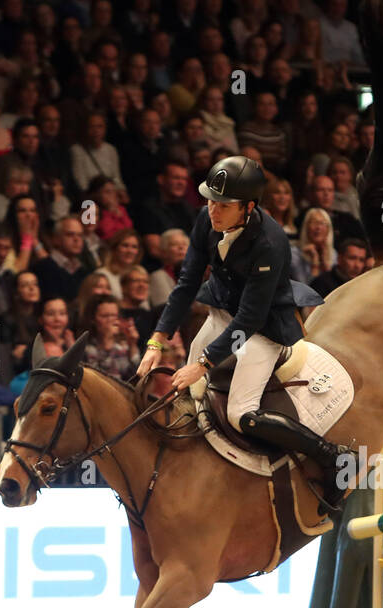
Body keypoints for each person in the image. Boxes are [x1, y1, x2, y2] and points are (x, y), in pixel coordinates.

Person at [135, 156, 345, 507]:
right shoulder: (206, 219)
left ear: (248, 207)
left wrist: (201, 363)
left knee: (240, 413)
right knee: (190, 393)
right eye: (210, 201)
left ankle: (331, 456)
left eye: (223, 205)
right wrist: (157, 340)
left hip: (261, 329)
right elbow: (186, 283)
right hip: (220, 311)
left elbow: (248, 319)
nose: (213, 211)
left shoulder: (271, 241)